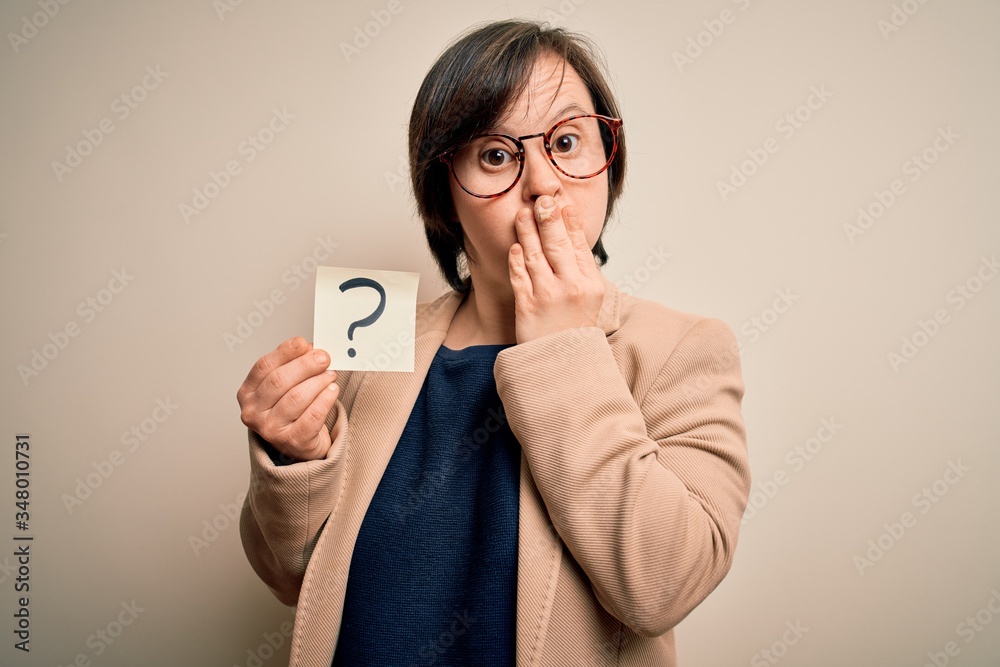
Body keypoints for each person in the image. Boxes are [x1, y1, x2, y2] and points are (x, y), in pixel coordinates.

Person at [237, 18, 750, 667]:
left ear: (607, 156)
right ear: (445, 195)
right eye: (497, 155)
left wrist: (566, 351)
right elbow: (297, 579)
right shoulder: (379, 335)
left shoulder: (681, 348)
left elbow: (665, 584)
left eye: (567, 140)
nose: (543, 184)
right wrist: (294, 458)